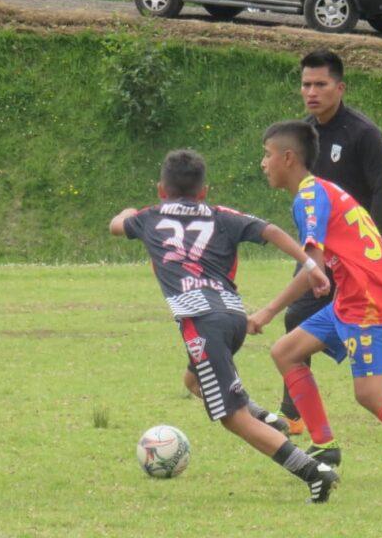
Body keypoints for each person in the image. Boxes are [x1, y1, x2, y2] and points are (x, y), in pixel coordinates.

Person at [109, 148, 339, 503]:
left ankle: (312, 471)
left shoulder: (147, 218)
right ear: (203, 191)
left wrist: (127, 211)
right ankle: (270, 419)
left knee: (232, 418)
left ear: (160, 189)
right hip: (233, 318)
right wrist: (310, 266)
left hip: (202, 324)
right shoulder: (221, 215)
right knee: (193, 380)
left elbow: (116, 226)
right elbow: (272, 230)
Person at [250, 121, 382, 489]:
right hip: (353, 295)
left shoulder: (308, 197)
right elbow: (332, 254)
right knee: (285, 352)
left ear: (288, 157)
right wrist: (327, 275)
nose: (263, 163)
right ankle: (324, 445)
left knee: (368, 393)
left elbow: (311, 260)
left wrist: (268, 310)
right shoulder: (322, 189)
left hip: (364, 300)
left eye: (267, 155)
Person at [278, 50, 382, 434]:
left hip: (366, 251)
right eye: (306, 84)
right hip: (322, 248)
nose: (312, 91)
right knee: (295, 316)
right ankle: (293, 414)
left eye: (321, 84)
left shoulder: (363, 133)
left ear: (340, 87)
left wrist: (369, 246)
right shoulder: (304, 135)